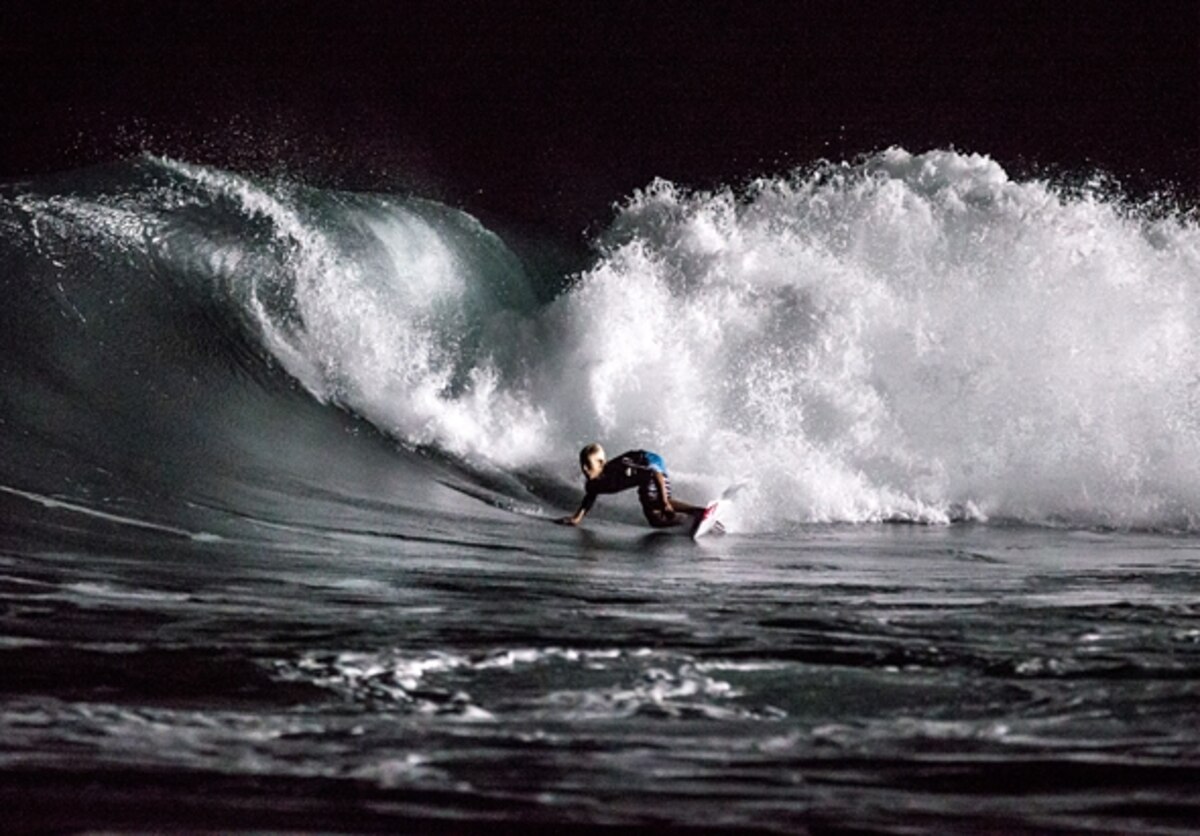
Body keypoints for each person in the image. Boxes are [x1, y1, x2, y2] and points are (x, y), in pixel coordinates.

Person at [558, 443, 706, 529]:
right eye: (582, 464)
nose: (584, 468)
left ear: (601, 463)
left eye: (588, 465)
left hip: (650, 462)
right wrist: (576, 518)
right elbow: (589, 497)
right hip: (645, 475)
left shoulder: (619, 468)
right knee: (655, 520)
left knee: (653, 500)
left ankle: (698, 511)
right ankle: (688, 521)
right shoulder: (593, 484)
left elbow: (656, 475)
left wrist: (665, 502)